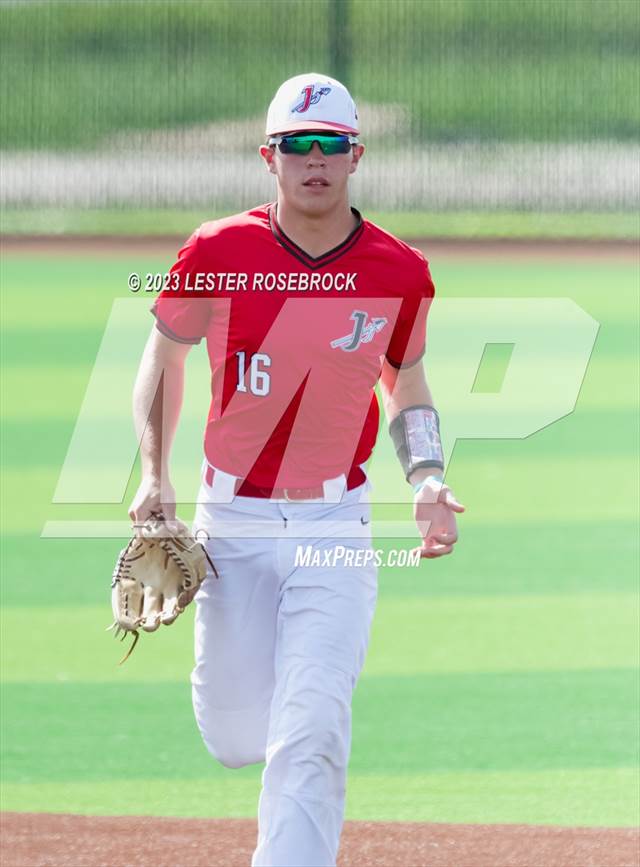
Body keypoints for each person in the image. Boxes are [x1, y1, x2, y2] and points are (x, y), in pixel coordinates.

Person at [128, 72, 465, 867]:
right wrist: (153, 473)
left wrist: (426, 476)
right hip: (232, 521)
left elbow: (407, 380)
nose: (315, 160)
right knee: (239, 734)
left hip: (334, 524)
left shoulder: (398, 269)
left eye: (331, 145)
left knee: (311, 731)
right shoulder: (217, 250)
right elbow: (164, 359)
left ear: (356, 157)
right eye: (296, 146)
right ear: (268, 159)